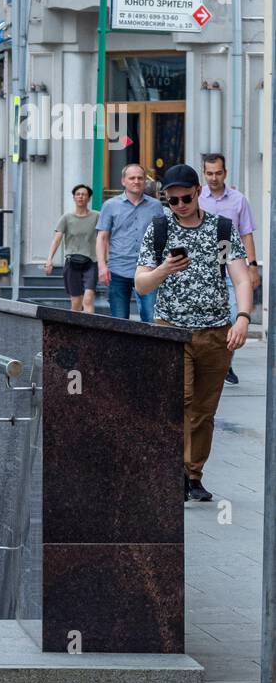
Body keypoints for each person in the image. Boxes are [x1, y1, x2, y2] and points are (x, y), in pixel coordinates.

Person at [134, 165, 251, 504]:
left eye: (186, 198)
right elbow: (142, 284)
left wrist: (242, 317)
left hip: (216, 333)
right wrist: (163, 270)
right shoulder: (159, 228)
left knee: (203, 410)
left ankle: (192, 474)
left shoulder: (221, 229)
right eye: (173, 200)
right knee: (178, 402)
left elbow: (240, 278)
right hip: (172, 330)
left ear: (199, 191)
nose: (180, 205)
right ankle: (170, 470)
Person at [198, 153, 259, 385]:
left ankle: (225, 362)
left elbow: (246, 233)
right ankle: (217, 363)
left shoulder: (238, 199)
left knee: (235, 315)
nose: (214, 178)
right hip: (204, 268)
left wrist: (252, 266)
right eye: (209, 173)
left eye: (218, 173)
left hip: (233, 267)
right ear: (204, 173)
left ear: (226, 173)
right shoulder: (196, 197)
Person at [96, 163, 161, 321]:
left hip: (148, 269)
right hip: (118, 270)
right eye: (132, 178)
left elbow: (162, 237)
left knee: (150, 319)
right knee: (119, 321)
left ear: (145, 180)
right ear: (123, 181)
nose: (136, 181)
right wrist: (102, 266)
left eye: (140, 178)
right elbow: (101, 237)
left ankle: (149, 347)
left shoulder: (156, 206)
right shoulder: (110, 206)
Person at [45, 184, 100, 314]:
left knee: (88, 299)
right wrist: (49, 259)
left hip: (91, 262)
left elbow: (104, 238)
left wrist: (106, 260)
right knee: (76, 303)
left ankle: (89, 331)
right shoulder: (66, 218)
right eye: (78, 194)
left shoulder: (97, 216)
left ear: (89, 198)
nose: (81, 197)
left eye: (84, 194)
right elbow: (56, 239)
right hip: (72, 262)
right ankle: (75, 331)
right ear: (74, 198)